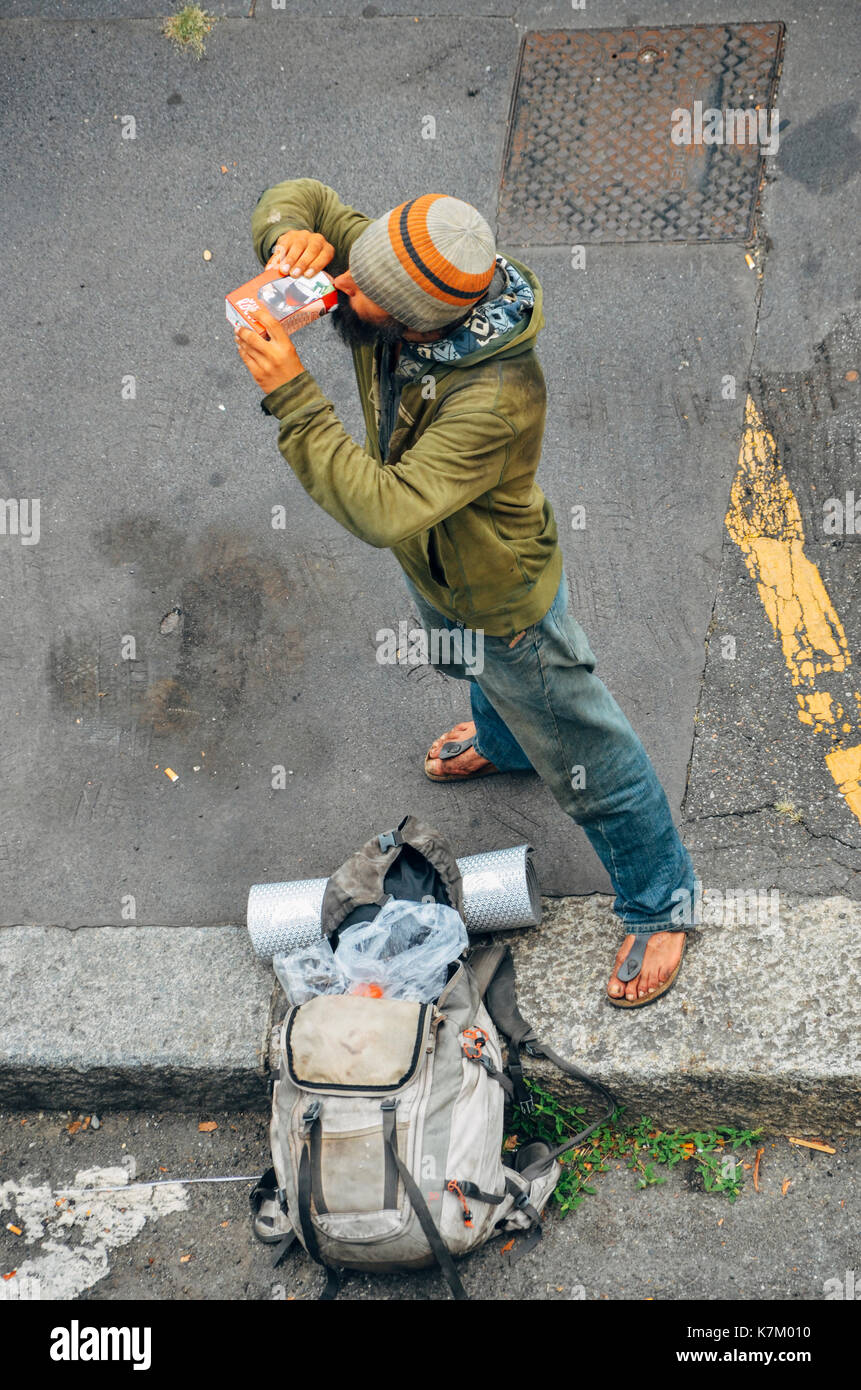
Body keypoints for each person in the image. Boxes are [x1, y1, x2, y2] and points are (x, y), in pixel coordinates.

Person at [234, 179, 698, 1007]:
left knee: (590, 758)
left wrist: (293, 396)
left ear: (419, 322)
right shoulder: (396, 268)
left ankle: (659, 905)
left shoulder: (493, 397)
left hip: (501, 600)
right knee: (471, 669)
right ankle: (507, 740)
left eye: (359, 294)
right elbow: (300, 195)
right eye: (346, 269)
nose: (337, 290)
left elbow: (383, 506)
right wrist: (287, 237)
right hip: (440, 568)